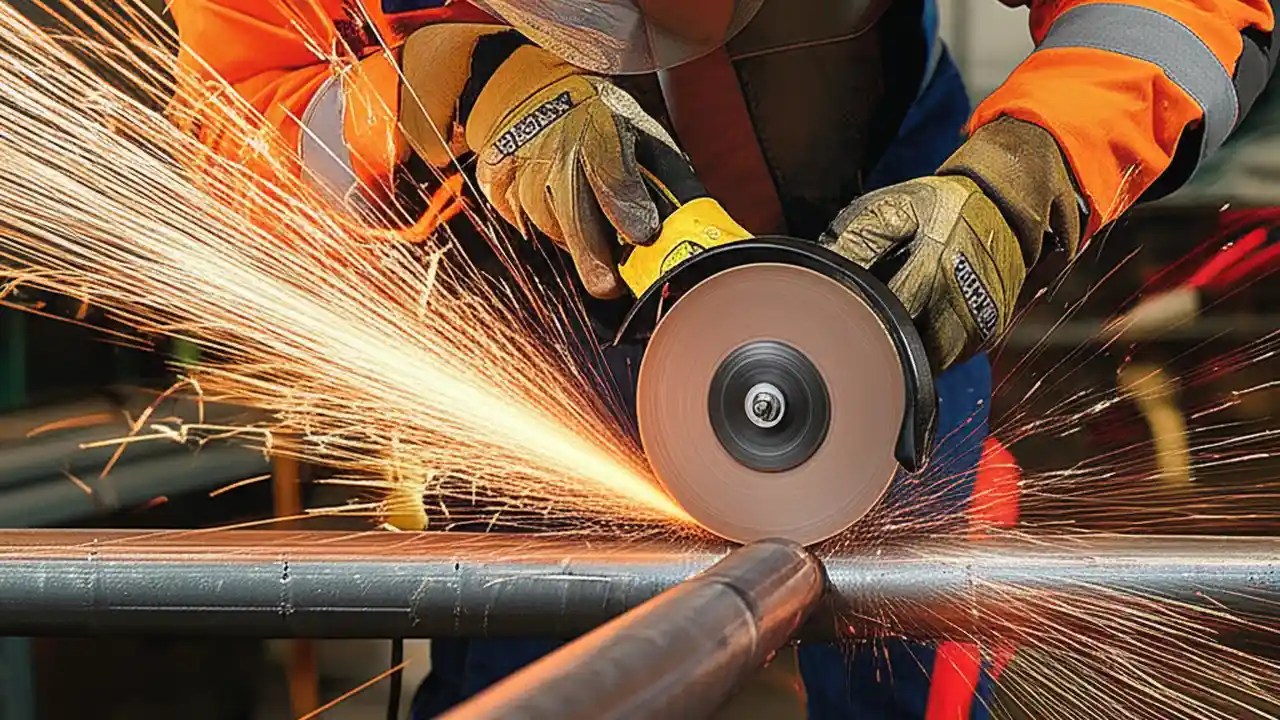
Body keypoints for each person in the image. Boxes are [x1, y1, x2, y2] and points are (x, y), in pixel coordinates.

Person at [170, 0, 1276, 717]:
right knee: (539, 666)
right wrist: (440, 91)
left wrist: (1028, 167)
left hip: (889, 184)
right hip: (535, 285)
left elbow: (1174, 13)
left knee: (909, 641)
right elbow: (239, 128)